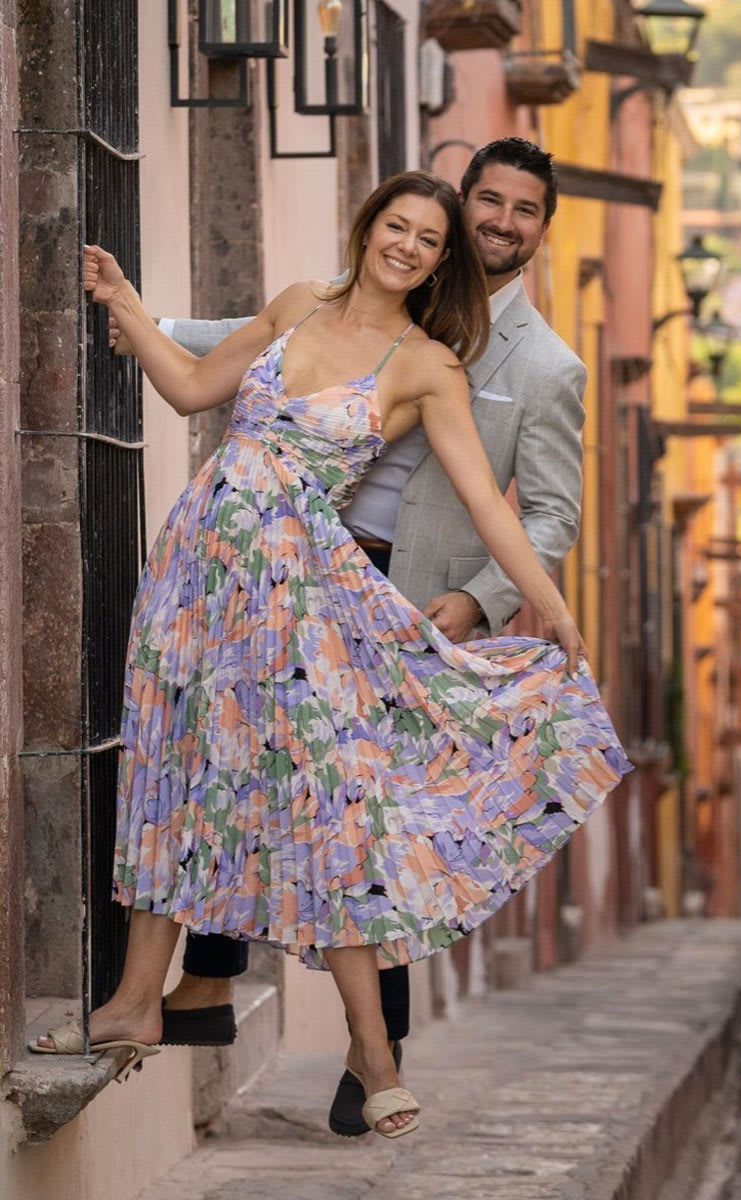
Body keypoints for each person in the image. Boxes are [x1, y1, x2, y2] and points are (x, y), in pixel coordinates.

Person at [32, 169, 630, 1140]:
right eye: (396, 224)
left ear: (443, 262)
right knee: (173, 771)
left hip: (299, 590)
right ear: (369, 226)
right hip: (197, 572)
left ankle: (375, 1055)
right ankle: (141, 997)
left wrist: (552, 608)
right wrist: (126, 303)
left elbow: (489, 503)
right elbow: (189, 390)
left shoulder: (427, 363)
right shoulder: (297, 304)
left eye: (427, 239)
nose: (406, 245)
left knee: (331, 799)